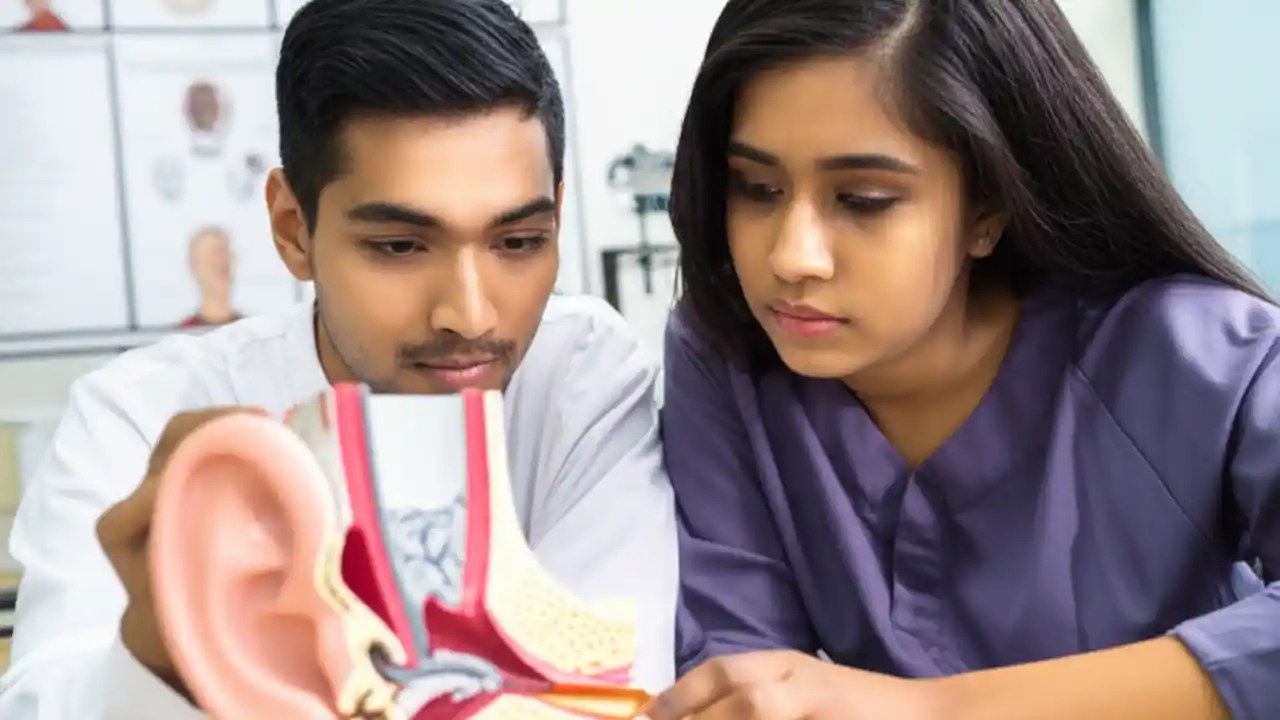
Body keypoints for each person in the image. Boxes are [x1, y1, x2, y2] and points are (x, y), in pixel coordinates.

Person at [0, 0, 678, 717]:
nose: (470, 313)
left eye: (518, 242)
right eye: (400, 246)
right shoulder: (139, 418)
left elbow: (610, 696)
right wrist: (159, 656)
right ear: (294, 229)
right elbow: (42, 701)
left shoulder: (578, 377)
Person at [642, 1, 1279, 719]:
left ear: (988, 210)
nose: (792, 257)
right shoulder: (724, 352)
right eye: (757, 189)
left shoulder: (1197, 351)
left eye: (863, 199)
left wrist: (935, 709)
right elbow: (736, 672)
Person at [179, 225, 242, 328]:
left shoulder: (253, 330)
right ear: (194, 265)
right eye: (212, 254)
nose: (221, 261)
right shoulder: (183, 334)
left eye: (225, 252)